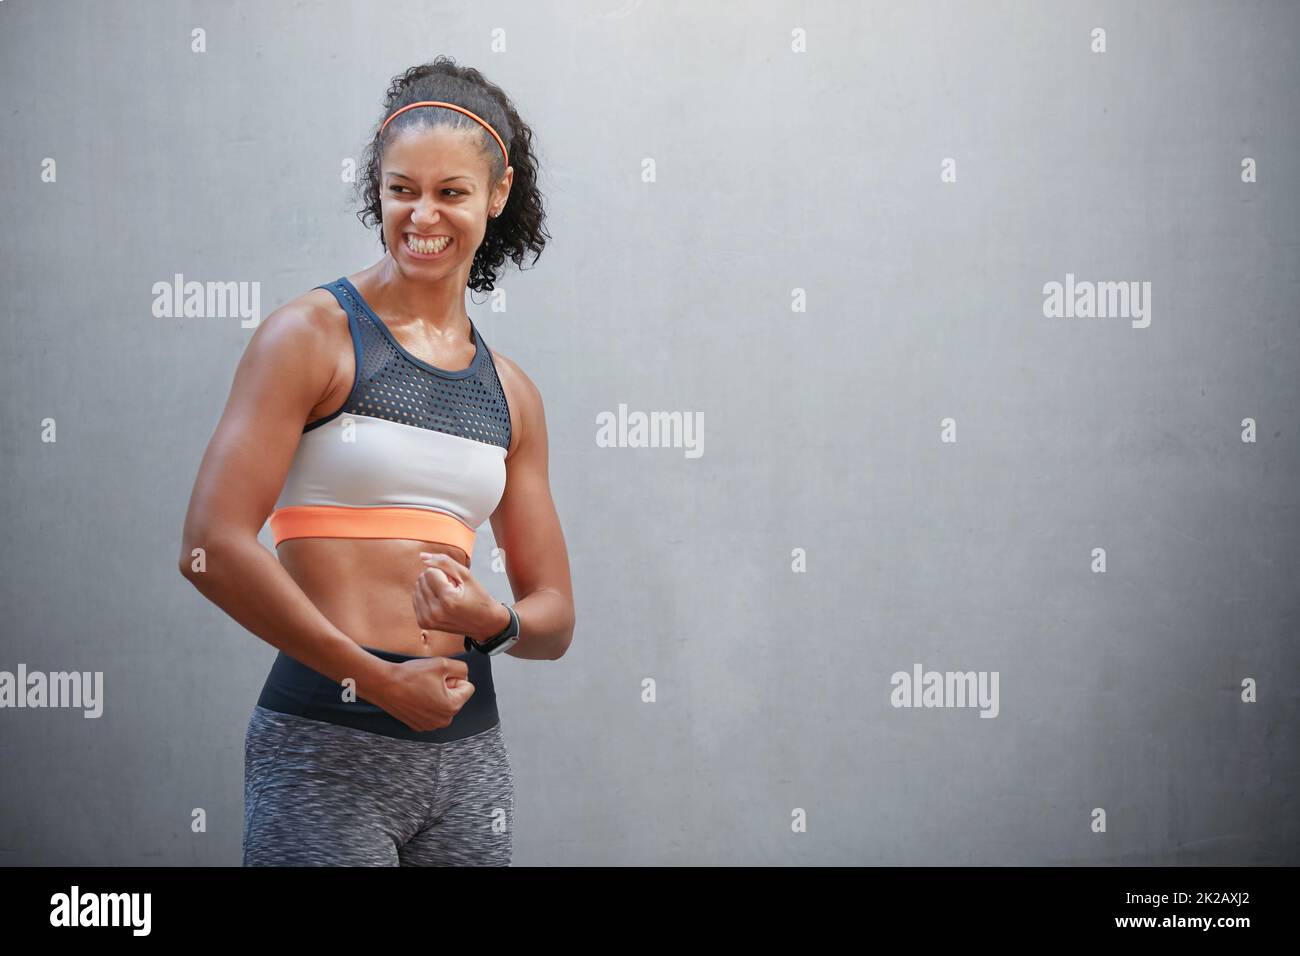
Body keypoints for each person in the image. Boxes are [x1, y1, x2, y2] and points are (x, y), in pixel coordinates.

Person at [178, 56, 574, 866]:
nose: (422, 215)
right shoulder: (312, 336)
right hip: (327, 745)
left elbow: (555, 616)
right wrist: (376, 680)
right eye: (402, 190)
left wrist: (493, 624)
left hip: (468, 757)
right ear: (379, 192)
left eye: (451, 192)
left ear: (496, 197)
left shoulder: (512, 394)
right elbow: (210, 549)